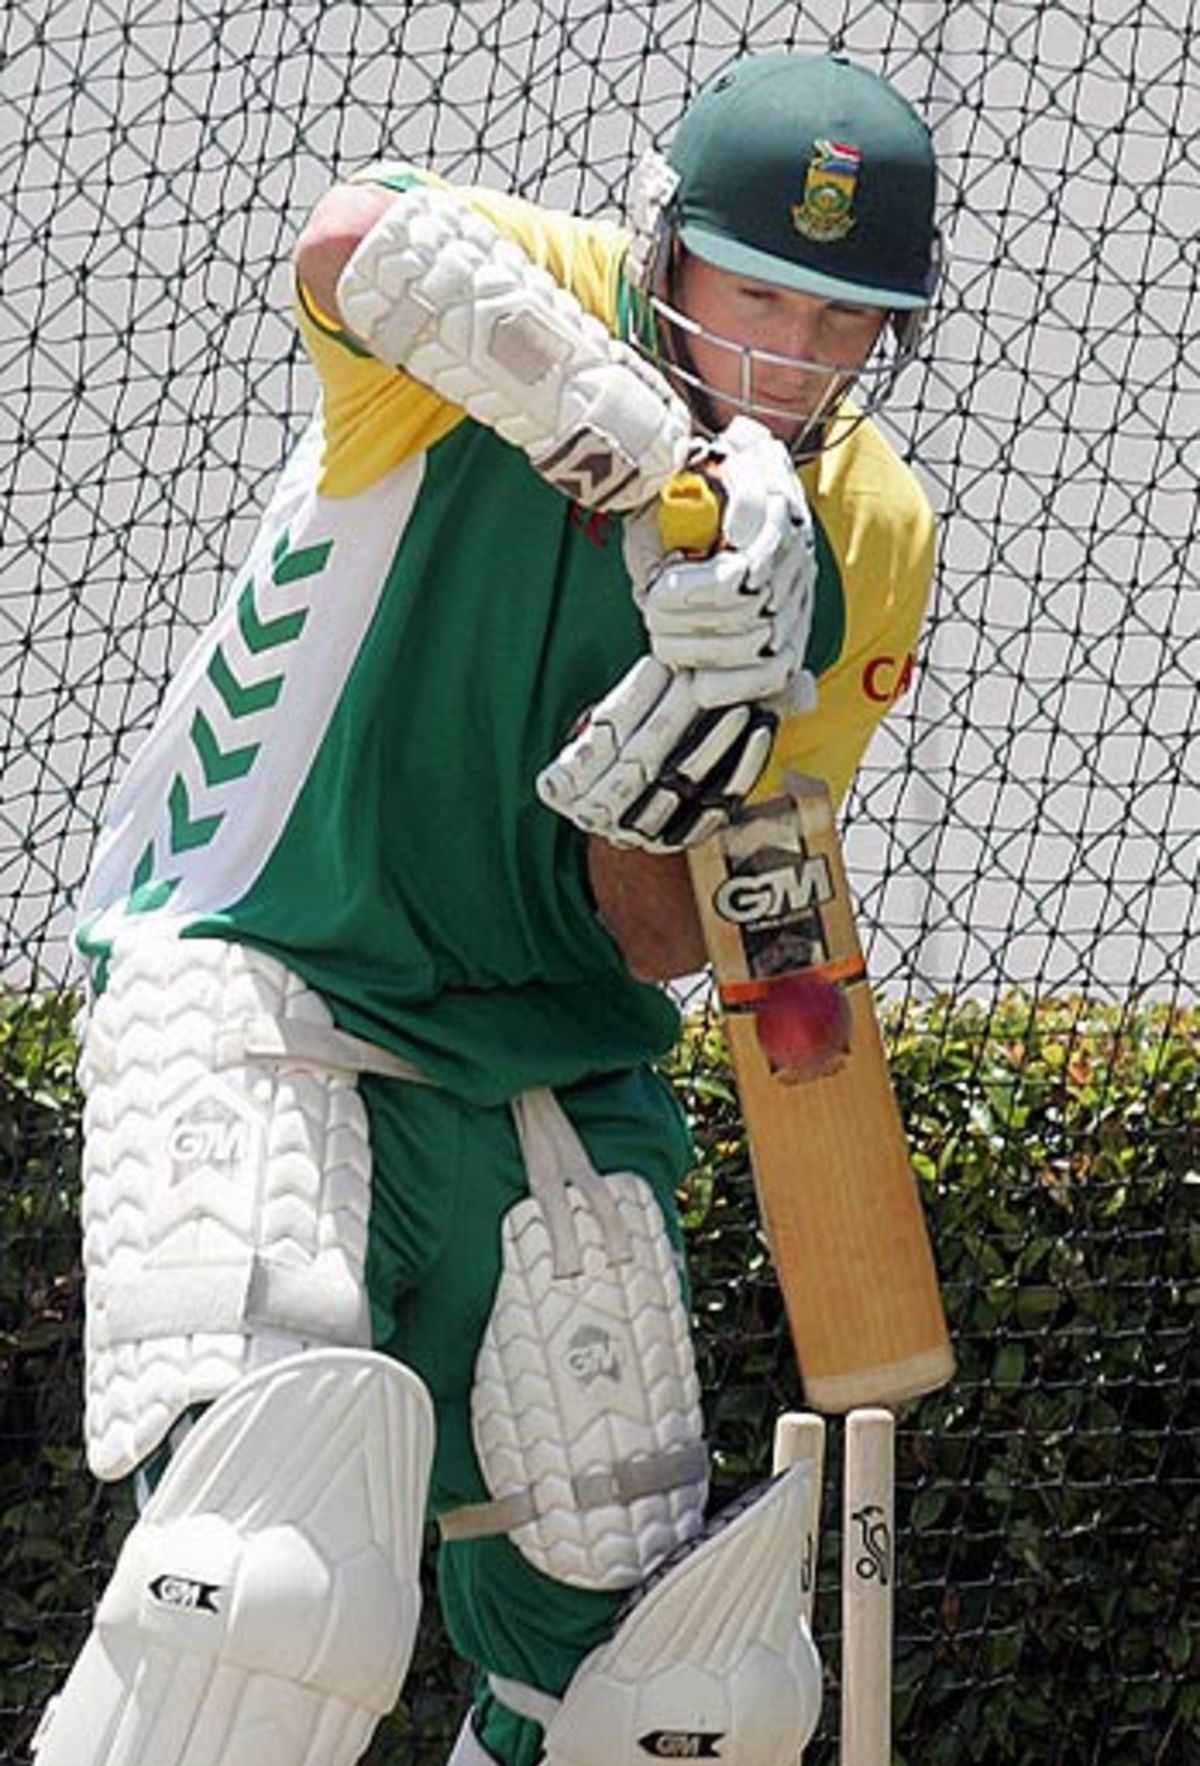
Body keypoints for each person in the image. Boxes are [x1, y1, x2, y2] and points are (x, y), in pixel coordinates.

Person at [36, 50, 940, 1766]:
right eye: (760, 293)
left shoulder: (868, 530)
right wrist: (634, 450)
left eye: (849, 323)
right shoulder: (527, 284)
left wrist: (680, 756)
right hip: (273, 973)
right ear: (668, 253)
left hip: (550, 1064)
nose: (796, 359)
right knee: (262, 1602)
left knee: (683, 1708)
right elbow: (347, 237)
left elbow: (674, 939)